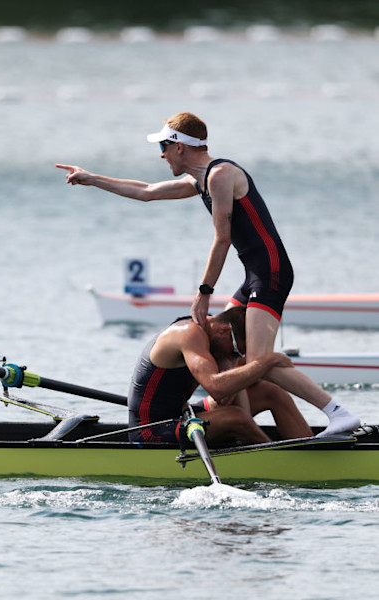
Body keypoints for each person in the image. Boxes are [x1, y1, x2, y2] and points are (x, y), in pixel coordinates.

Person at [56, 112, 360, 437]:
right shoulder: (199, 179)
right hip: (253, 275)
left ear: (180, 147)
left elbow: (223, 238)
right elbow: (146, 191)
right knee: (229, 350)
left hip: (270, 274)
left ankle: (338, 414)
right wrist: (92, 179)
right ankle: (237, 422)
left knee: (259, 362)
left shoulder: (220, 174)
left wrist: (204, 292)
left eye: (163, 146)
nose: (161, 154)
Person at [128, 306, 312, 445]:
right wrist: (267, 362)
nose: (235, 358)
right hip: (150, 431)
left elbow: (235, 390)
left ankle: (311, 453)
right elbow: (216, 389)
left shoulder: (215, 335)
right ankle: (279, 464)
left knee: (270, 393)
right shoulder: (189, 334)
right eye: (235, 352)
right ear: (224, 331)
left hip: (182, 414)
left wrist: (235, 369)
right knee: (236, 418)